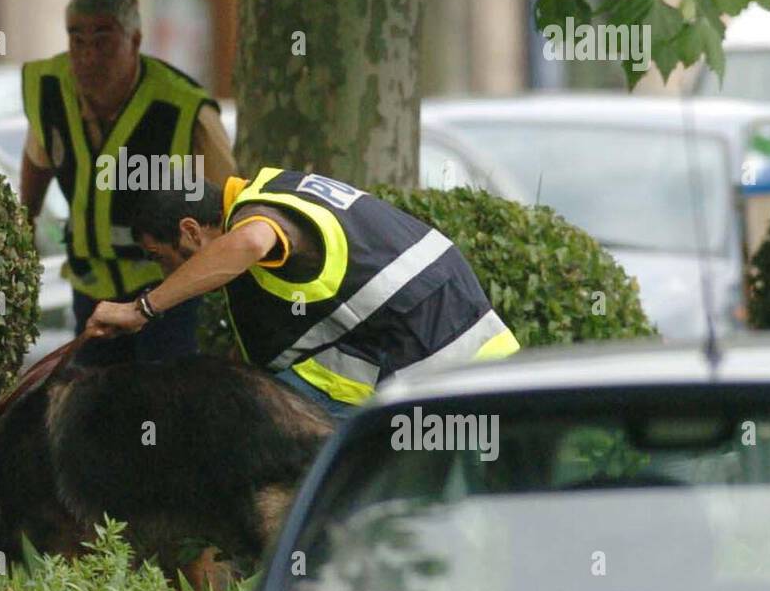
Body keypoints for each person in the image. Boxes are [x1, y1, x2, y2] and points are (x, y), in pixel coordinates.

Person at [86, 170, 520, 419]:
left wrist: (143, 308)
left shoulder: (255, 217)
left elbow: (252, 242)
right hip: (456, 348)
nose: (167, 271)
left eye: (161, 257)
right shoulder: (276, 188)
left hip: (438, 365)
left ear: (191, 230)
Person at [20, 0, 235, 365]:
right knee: (95, 401)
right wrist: (25, 225)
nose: (88, 56)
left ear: (134, 41)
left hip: (168, 291)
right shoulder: (50, 90)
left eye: (103, 42)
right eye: (77, 40)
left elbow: (228, 203)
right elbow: (38, 161)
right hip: (91, 286)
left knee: (163, 394)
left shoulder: (184, 107)